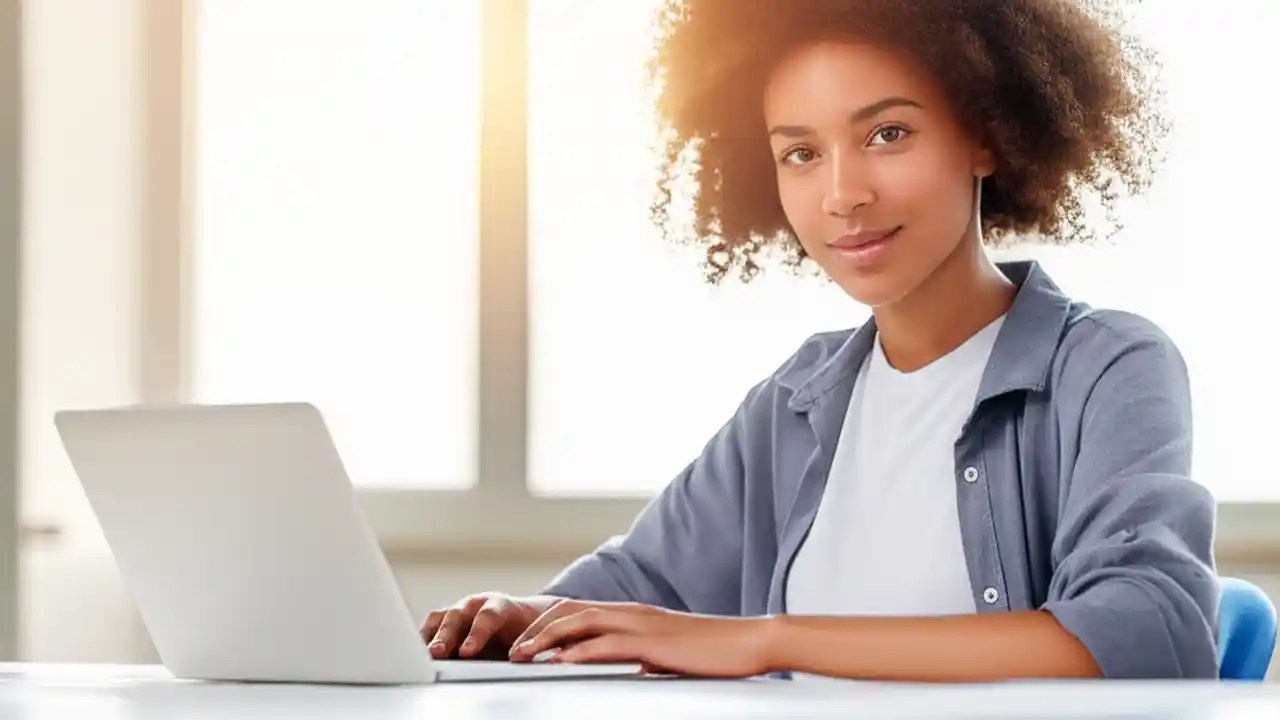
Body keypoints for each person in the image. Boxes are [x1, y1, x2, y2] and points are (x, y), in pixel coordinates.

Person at [421, 0, 1218, 680]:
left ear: (987, 136)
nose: (842, 195)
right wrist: (519, 616)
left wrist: (765, 639)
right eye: (801, 153)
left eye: (887, 135)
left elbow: (1148, 630)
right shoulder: (799, 400)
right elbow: (642, 583)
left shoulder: (1106, 365)